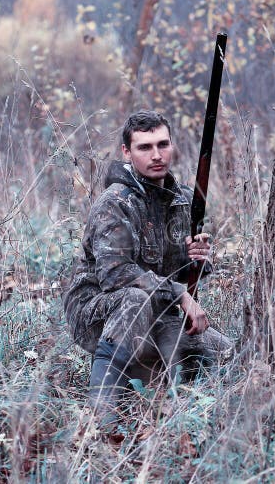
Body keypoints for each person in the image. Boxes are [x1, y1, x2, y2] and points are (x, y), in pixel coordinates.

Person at [63, 110, 231, 422]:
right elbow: (116, 275)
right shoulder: (114, 203)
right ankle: (102, 416)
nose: (157, 155)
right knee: (134, 299)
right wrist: (181, 294)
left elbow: (174, 270)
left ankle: (192, 403)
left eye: (162, 144)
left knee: (227, 353)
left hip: (156, 311)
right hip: (100, 314)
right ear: (126, 152)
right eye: (144, 147)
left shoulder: (181, 199)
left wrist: (197, 260)